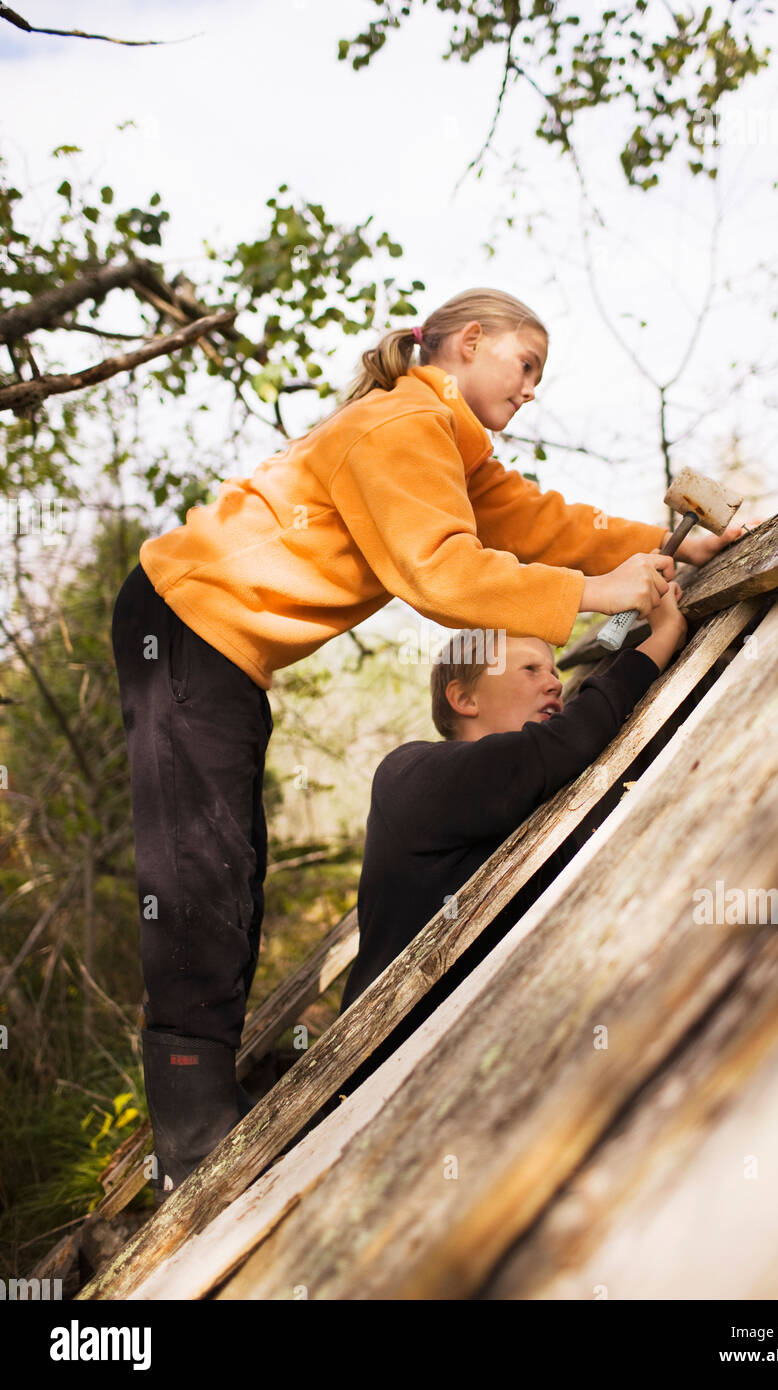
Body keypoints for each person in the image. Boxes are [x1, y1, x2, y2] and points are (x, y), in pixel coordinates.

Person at [110, 286, 745, 1203]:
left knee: (232, 864)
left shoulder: (454, 448)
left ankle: (203, 1111)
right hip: (181, 620)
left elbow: (548, 526)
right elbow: (438, 569)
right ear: (471, 342)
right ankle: (194, 1132)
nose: (531, 391)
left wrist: (674, 549)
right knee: (198, 867)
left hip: (228, 649)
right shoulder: (401, 421)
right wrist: (602, 596)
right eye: (525, 366)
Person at [331, 591, 686, 1106]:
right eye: (529, 669)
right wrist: (660, 642)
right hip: (383, 1075)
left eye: (553, 671)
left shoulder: (541, 805)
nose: (554, 681)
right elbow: (554, 746)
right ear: (465, 699)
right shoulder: (409, 775)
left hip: (500, 1066)